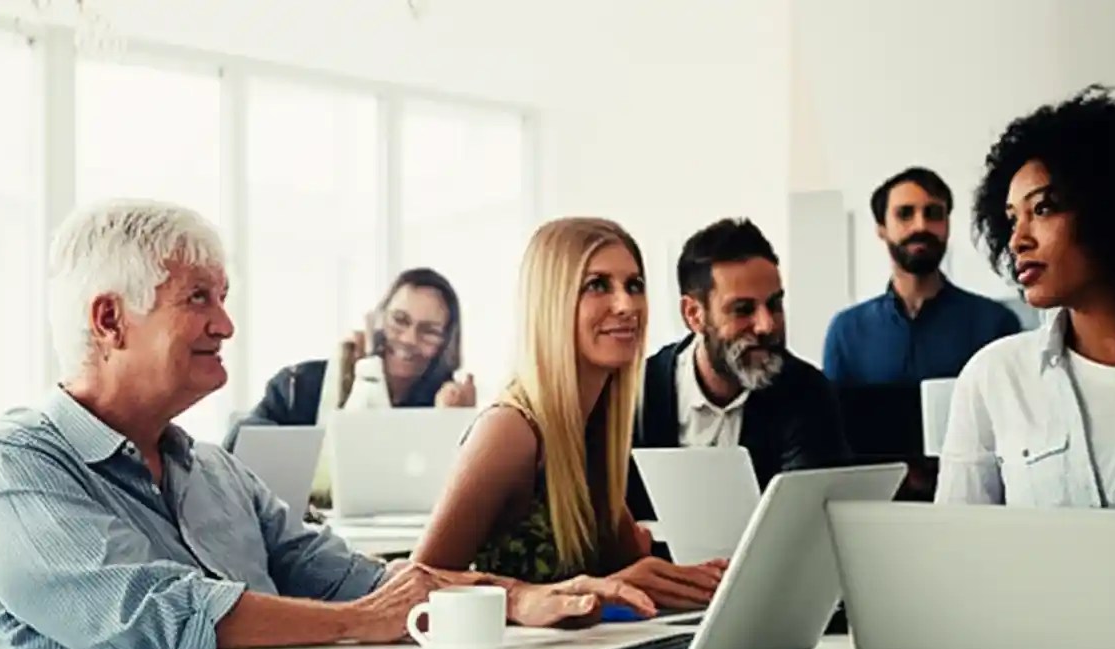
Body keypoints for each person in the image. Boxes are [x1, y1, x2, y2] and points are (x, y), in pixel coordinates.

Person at [0, 199, 653, 649]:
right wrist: (362, 621)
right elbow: (157, 618)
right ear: (110, 320)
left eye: (224, 298)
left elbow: (361, 580)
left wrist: (518, 598)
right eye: (198, 298)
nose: (226, 323)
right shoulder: (13, 465)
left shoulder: (216, 473)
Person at [413, 217, 727, 610]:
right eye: (597, 285)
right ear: (552, 303)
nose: (626, 305)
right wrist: (603, 587)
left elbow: (624, 570)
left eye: (634, 286)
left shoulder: (594, 427)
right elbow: (417, 588)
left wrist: (697, 581)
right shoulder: (510, 430)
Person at [937, 85, 1115, 508]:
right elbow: (956, 541)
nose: (1017, 240)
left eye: (1043, 209)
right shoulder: (994, 377)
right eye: (1010, 220)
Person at [630, 218, 850, 521]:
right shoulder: (639, 393)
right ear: (693, 315)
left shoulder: (807, 392)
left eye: (774, 305)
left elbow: (804, 521)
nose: (766, 325)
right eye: (743, 310)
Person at [223, 267, 476, 449]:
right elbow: (240, 442)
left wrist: (455, 426)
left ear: (447, 343)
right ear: (376, 321)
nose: (409, 339)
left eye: (429, 331)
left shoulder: (446, 403)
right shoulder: (302, 384)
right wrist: (342, 380)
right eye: (399, 320)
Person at [823, 167, 1021, 386]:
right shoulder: (847, 333)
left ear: (947, 224)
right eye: (904, 214)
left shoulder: (994, 325)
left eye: (933, 213)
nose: (921, 226)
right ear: (881, 228)